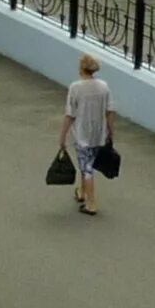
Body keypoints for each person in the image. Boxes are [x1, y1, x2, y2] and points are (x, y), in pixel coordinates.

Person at [59, 53, 115, 217]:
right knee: (89, 163)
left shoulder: (76, 87)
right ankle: (82, 193)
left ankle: (91, 203)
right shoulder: (104, 86)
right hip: (98, 133)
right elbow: (110, 111)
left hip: (82, 134)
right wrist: (111, 132)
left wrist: (62, 136)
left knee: (86, 167)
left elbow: (70, 114)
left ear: (81, 68)